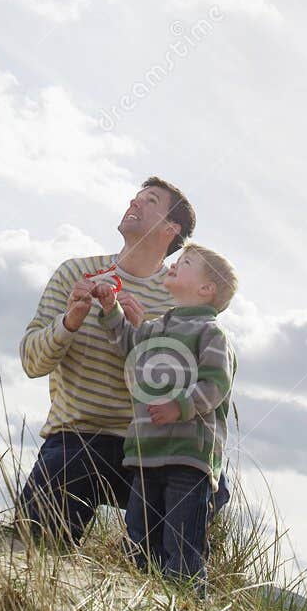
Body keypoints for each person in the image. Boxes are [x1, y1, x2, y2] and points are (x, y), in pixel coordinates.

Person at [17, 176, 196, 542]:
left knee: (203, 486)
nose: (134, 203)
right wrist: (69, 322)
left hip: (149, 445)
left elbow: (187, 390)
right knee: (38, 538)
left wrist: (139, 336)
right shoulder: (74, 272)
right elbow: (32, 362)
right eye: (134, 197)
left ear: (170, 229)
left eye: (149, 201)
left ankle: (166, 573)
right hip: (77, 436)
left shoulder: (180, 302)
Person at [94, 243, 238, 589]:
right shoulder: (157, 327)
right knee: (140, 537)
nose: (173, 263)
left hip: (189, 457)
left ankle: (186, 600)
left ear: (206, 289)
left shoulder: (210, 333)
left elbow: (217, 383)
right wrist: (110, 308)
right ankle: (141, 596)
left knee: (182, 542)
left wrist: (181, 406)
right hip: (147, 452)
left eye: (185, 262)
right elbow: (128, 344)